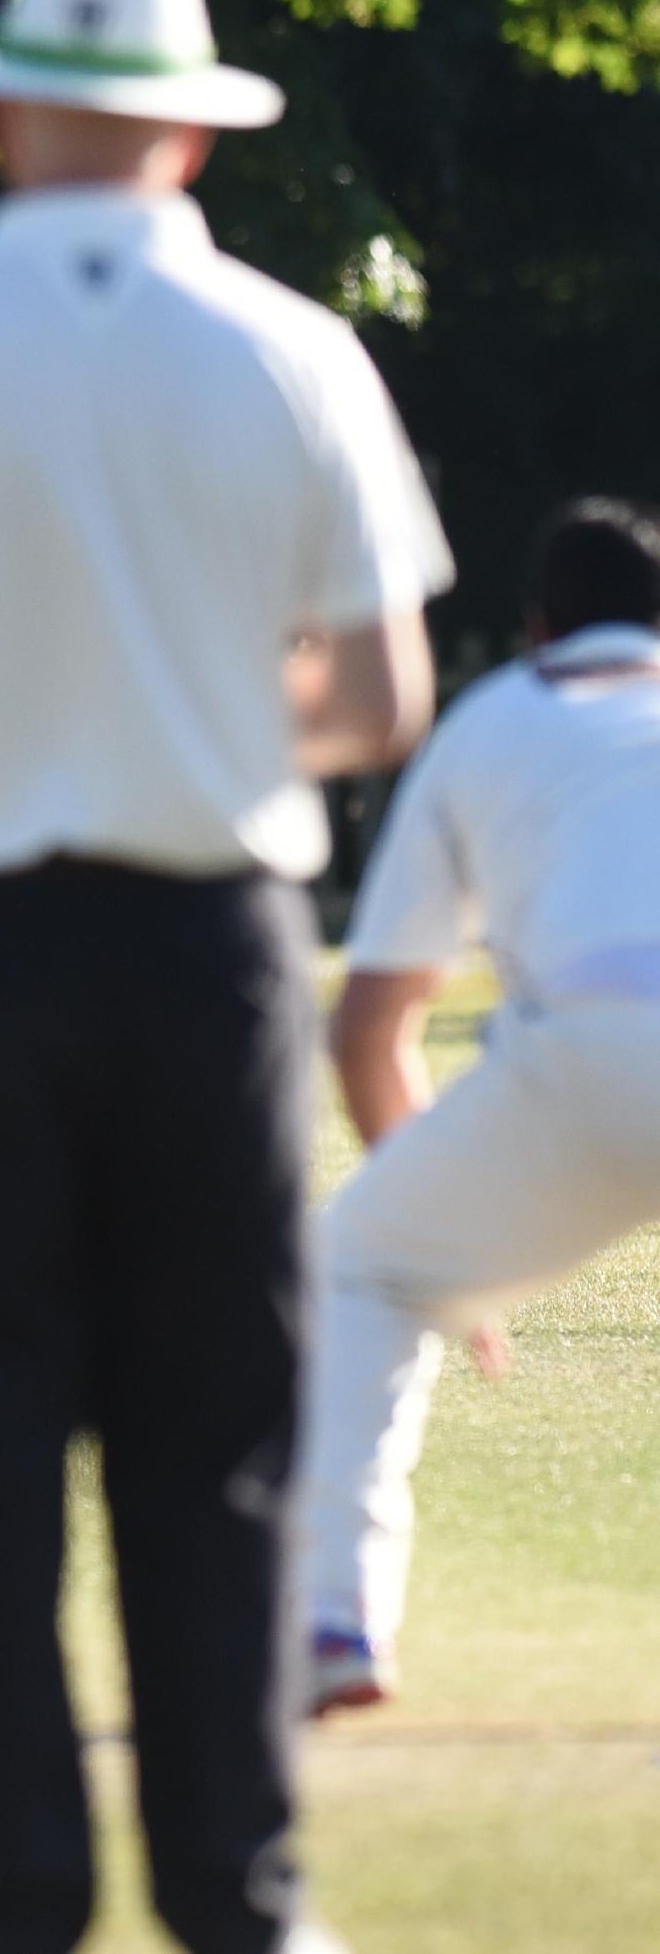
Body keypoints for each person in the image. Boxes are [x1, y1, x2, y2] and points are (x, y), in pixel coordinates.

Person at [0, 0, 448, 1954]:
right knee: (214, 1438)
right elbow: (382, 692)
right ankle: (238, 1890)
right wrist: (210, 713)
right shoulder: (293, 346)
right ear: (185, 138)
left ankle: (11, 1894)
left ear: (10, 119)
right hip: (209, 935)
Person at [300, 496, 660, 1717]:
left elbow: (369, 1025)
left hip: (591, 1058)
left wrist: (443, 1253)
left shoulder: (492, 721)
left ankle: (337, 1620)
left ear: (534, 627)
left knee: (358, 1270)